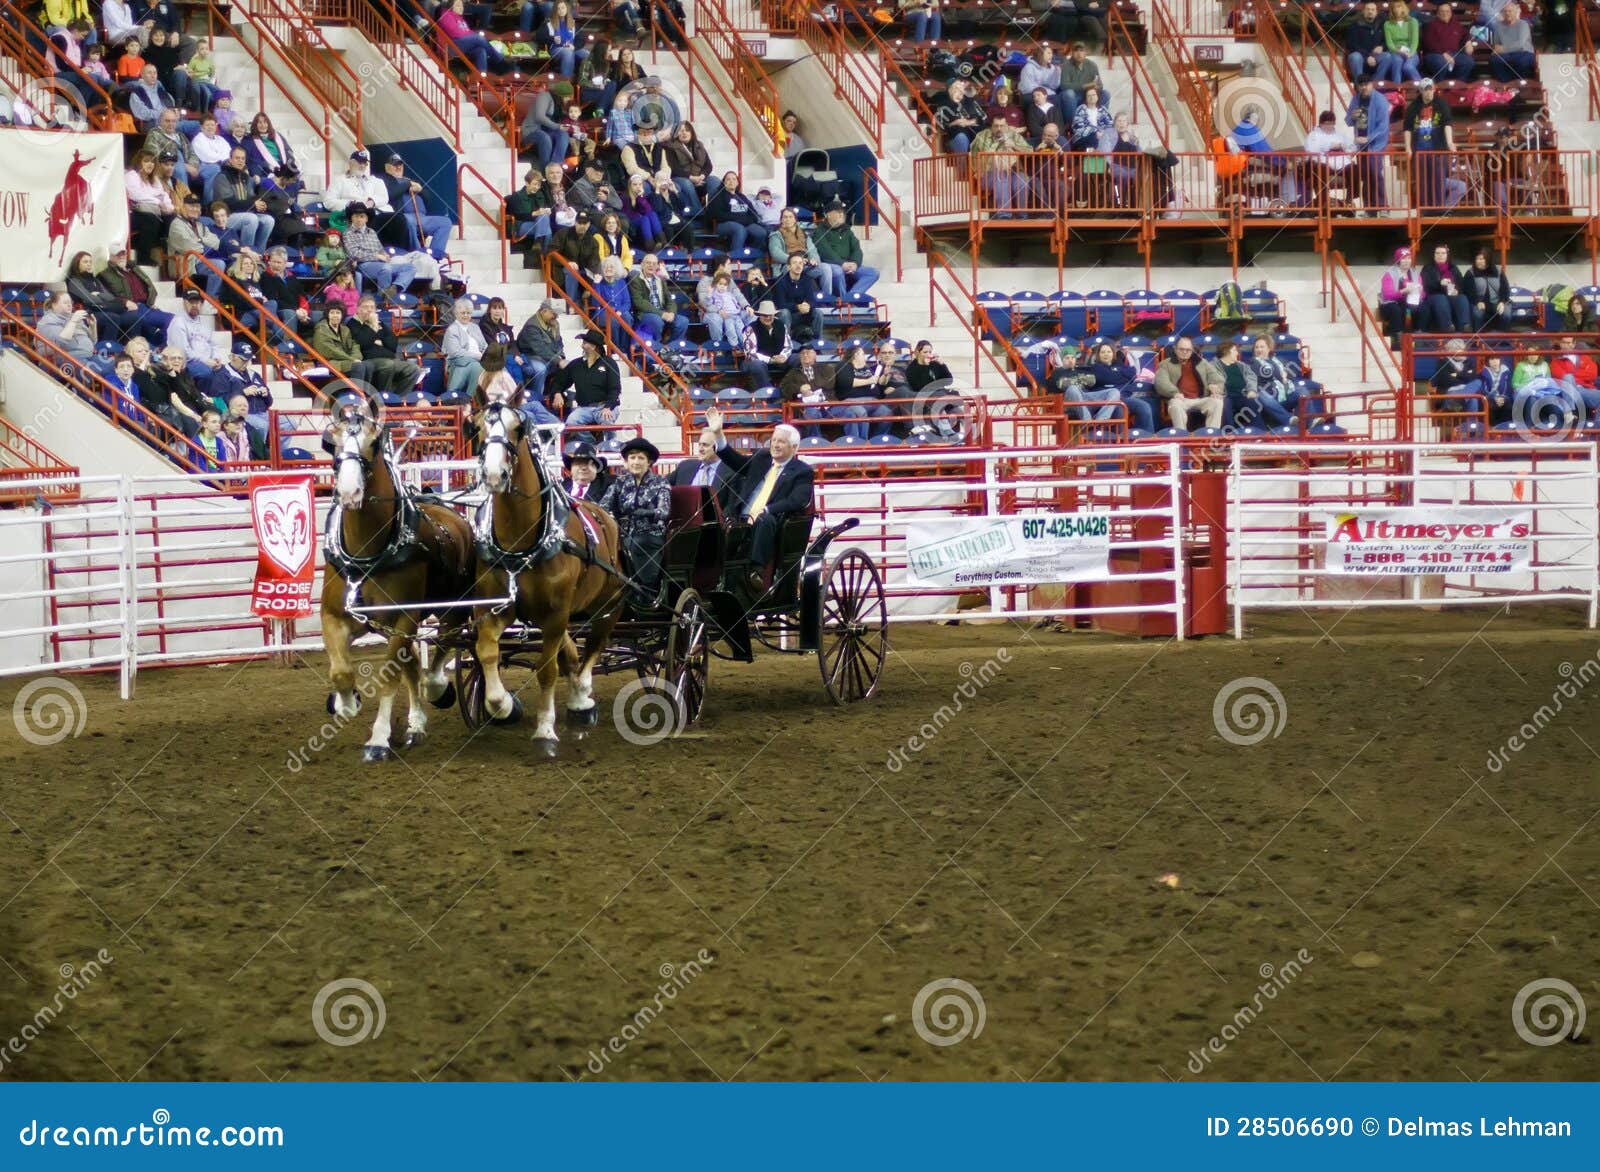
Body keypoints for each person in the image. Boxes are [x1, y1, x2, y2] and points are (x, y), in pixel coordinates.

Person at [702, 407, 814, 588]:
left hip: (772, 522)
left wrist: (768, 509)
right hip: (741, 519)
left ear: (794, 447)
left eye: (781, 442)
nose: (775, 445)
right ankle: (711, 576)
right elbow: (735, 461)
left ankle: (756, 570)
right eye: (774, 440)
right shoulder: (761, 458)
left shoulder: (802, 471)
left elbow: (798, 501)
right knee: (714, 522)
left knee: (765, 519)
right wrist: (718, 434)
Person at [597, 437, 670, 596]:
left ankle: (645, 592)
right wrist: (608, 517)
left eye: (641, 458)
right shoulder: (620, 482)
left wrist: (647, 513)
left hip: (650, 534)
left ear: (649, 462)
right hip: (622, 534)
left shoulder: (660, 482)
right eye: (632, 457)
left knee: (637, 543)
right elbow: (602, 506)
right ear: (626, 461)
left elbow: (663, 512)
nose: (636, 461)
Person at [65, 250, 165, 344]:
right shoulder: (74, 281)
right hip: (89, 312)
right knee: (113, 318)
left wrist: (99, 294)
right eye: (85, 262)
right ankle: (108, 348)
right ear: (77, 264)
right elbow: (90, 300)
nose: (89, 264)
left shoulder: (94, 279)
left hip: (106, 309)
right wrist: (99, 297)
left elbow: (110, 297)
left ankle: (133, 347)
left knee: (134, 317)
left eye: (90, 262)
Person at [348, 296, 425, 401]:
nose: (370, 310)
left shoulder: (382, 324)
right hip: (367, 360)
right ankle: (381, 399)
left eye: (372, 307)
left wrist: (378, 339)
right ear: (358, 309)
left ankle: (397, 398)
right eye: (366, 307)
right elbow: (363, 343)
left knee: (414, 369)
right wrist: (374, 327)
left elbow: (392, 344)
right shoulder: (352, 324)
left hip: (389, 359)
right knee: (388, 365)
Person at [1404, 80, 1466, 209]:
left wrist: (1450, 142)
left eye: (1431, 88)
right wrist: (1408, 148)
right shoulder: (1413, 107)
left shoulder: (1441, 103)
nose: (1429, 91)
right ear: (1420, 91)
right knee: (1422, 182)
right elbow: (1407, 129)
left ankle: (1438, 209)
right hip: (1420, 152)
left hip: (1438, 150)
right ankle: (1424, 209)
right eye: (1426, 89)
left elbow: (1447, 123)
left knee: (1438, 181)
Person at [553, 329, 622, 440]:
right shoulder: (575, 364)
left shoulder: (609, 363)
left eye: (585, 343)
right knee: (571, 422)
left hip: (605, 406)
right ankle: (591, 445)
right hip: (584, 408)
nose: (582, 346)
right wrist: (557, 393)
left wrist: (608, 406)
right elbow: (560, 381)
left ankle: (611, 446)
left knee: (606, 420)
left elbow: (615, 388)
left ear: (594, 346)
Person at [381, 153, 452, 261]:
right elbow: (390, 194)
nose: (398, 167)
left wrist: (421, 190)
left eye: (400, 164)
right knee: (407, 221)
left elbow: (428, 199)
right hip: (403, 217)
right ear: (387, 167)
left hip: (422, 217)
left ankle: (434, 258)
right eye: (395, 165)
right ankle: (419, 256)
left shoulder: (408, 179)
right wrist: (407, 185)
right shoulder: (384, 180)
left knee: (445, 222)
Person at [207, 146, 275, 255]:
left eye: (243, 158)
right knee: (251, 218)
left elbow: (251, 197)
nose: (240, 161)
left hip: (244, 213)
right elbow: (226, 202)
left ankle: (258, 255)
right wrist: (253, 204)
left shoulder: (245, 177)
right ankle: (246, 255)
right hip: (227, 216)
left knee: (269, 220)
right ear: (230, 159)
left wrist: (260, 202)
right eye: (237, 158)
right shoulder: (222, 176)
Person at [99, 246, 174, 341]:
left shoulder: (134, 268)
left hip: (146, 307)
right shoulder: (104, 275)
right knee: (153, 327)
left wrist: (150, 302)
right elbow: (107, 297)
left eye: (123, 254)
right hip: (131, 310)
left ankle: (158, 346)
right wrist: (124, 302)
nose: (122, 257)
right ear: (110, 257)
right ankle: (153, 346)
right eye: (118, 255)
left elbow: (149, 286)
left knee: (174, 320)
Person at [342, 204, 415, 300]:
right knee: (385, 268)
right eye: (356, 216)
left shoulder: (371, 232)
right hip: (362, 265)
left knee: (409, 267)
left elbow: (380, 248)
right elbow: (354, 254)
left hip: (380, 264)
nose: (359, 219)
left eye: (362, 216)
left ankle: (394, 288)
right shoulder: (348, 233)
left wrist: (384, 254)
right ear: (351, 218)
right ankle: (383, 299)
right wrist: (377, 256)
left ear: (366, 219)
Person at [1155, 337, 1224, 430]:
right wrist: (1174, 393)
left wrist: (1215, 387)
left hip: (1202, 398)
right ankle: (1181, 435)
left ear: (1192, 351)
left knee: (1217, 402)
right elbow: (1161, 382)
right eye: (1181, 349)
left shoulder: (1202, 362)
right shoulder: (1166, 364)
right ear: (1175, 349)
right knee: (1175, 405)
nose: (1185, 352)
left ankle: (1211, 434)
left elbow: (1217, 377)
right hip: (1181, 399)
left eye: (1188, 350)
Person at [831, 344, 896, 440]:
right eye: (862, 354)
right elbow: (848, 382)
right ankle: (861, 442)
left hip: (872, 401)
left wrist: (885, 375)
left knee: (887, 413)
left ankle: (876, 440)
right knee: (860, 412)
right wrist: (869, 381)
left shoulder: (866, 368)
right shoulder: (844, 365)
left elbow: (879, 382)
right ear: (856, 355)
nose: (864, 356)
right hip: (852, 401)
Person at [1346, 76, 1390, 213]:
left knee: (1375, 173)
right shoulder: (1356, 99)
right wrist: (1352, 117)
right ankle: (1369, 209)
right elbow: (1348, 120)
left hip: (1376, 145)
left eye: (1367, 84)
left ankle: (1383, 207)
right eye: (1361, 85)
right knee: (1365, 175)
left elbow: (1383, 126)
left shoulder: (1380, 100)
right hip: (1361, 146)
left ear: (1372, 84)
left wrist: (1368, 138)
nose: (1364, 87)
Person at [627, 253, 689, 346]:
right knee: (656, 321)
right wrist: (661, 314)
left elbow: (669, 300)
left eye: (654, 263)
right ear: (642, 265)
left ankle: (670, 347)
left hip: (663, 312)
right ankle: (656, 347)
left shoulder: (660, 280)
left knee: (683, 321)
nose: (651, 265)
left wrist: (671, 313)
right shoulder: (636, 280)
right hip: (645, 314)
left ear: (657, 266)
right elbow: (639, 302)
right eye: (648, 263)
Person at [672, 430, 738, 515]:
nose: (700, 449)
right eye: (699, 444)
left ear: (718, 447)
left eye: (705, 445)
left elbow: (731, 509)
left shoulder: (731, 472)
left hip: (714, 525)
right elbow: (662, 483)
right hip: (682, 523)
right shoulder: (684, 466)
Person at [516, 299, 567, 407]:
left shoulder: (554, 323)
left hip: (546, 356)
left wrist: (561, 356)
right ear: (544, 311)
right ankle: (536, 401)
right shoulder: (532, 325)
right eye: (553, 313)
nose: (556, 316)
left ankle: (557, 397)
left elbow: (559, 343)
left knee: (569, 366)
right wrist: (558, 361)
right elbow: (540, 349)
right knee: (540, 369)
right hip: (529, 355)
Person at [167, 289, 223, 382]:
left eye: (197, 302)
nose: (194, 305)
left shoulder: (202, 322)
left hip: (206, 362)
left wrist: (216, 357)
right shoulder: (178, 323)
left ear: (201, 304)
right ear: (184, 303)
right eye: (191, 302)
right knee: (207, 373)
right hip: (186, 363)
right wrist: (205, 361)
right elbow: (184, 352)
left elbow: (213, 344)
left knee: (225, 374)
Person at [707, 173, 769, 254]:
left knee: (761, 233)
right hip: (723, 224)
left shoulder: (742, 196)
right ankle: (734, 258)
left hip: (745, 223)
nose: (731, 181)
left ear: (737, 182)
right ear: (724, 182)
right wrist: (741, 219)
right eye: (728, 179)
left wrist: (746, 220)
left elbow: (753, 213)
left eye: (734, 179)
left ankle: (751, 256)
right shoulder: (719, 195)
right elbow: (719, 215)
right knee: (740, 229)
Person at [438, 0, 506, 73]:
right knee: (478, 38)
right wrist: (473, 37)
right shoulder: (446, 15)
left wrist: (472, 37)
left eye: (462, 6)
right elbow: (455, 33)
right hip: (450, 45)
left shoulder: (460, 18)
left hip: (461, 44)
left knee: (481, 50)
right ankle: (499, 59)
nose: (461, 8)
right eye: (458, 6)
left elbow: (468, 32)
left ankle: (481, 78)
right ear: (451, 7)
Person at [770, 252, 824, 342]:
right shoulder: (780, 281)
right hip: (788, 315)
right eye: (794, 263)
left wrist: (808, 305)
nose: (798, 266)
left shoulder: (807, 279)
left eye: (800, 263)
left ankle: (816, 343)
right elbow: (780, 304)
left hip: (803, 314)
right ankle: (784, 343)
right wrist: (797, 307)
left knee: (818, 312)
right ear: (788, 266)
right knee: (784, 312)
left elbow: (812, 301)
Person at [443, 298, 487, 403]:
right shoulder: (452, 329)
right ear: (456, 314)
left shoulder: (475, 327)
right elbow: (455, 352)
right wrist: (476, 356)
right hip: (458, 361)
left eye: (468, 313)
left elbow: (484, 345)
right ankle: (470, 398)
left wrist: (485, 354)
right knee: (478, 367)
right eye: (463, 313)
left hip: (479, 359)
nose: (466, 315)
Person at [1422, 244, 1471, 333]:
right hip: (1434, 296)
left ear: (1447, 255)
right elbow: (1426, 285)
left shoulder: (1453, 268)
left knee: (1462, 297)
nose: (1440, 255)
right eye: (1437, 253)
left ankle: (1465, 325)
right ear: (1434, 255)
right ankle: (1447, 326)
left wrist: (1457, 290)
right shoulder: (1428, 268)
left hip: (1451, 295)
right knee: (1441, 298)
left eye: (1443, 253)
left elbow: (1461, 283)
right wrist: (1439, 283)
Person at [1420, 2, 1475, 81]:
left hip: (1453, 53)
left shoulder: (1456, 24)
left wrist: (1468, 42)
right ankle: (1440, 85)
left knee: (1469, 62)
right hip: (1435, 54)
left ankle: (1457, 84)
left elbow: (1465, 34)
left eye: (1447, 11)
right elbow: (1429, 43)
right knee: (1442, 63)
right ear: (1437, 13)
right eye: (1442, 11)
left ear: (1451, 13)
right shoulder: (1431, 25)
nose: (1445, 13)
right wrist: (1444, 54)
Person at [35, 292, 97, 364]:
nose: (69, 305)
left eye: (71, 302)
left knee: (109, 364)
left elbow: (93, 342)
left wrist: (93, 326)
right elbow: (61, 343)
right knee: (104, 369)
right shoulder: (47, 321)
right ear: (54, 305)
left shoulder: (74, 316)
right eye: (65, 302)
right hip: (61, 361)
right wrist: (73, 321)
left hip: (88, 355)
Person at [741, 301, 792, 386]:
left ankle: (790, 389)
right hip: (757, 361)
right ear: (760, 315)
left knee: (797, 358)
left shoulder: (781, 325)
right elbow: (750, 353)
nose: (768, 318)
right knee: (757, 364)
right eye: (765, 315)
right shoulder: (750, 328)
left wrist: (783, 356)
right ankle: (769, 394)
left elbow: (789, 346)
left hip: (779, 360)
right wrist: (771, 360)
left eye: (770, 315)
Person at [700, 268, 753, 348]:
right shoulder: (714, 294)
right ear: (715, 284)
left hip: (736, 315)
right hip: (727, 316)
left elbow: (738, 299)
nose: (722, 287)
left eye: (725, 285)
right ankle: (734, 346)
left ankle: (745, 346)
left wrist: (745, 307)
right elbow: (708, 303)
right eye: (720, 284)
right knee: (731, 331)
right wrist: (710, 294)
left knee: (741, 330)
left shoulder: (729, 293)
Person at [1462, 248, 1511, 333]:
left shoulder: (1498, 271)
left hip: (1498, 302)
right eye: (1477, 259)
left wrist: (1502, 302)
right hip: (1478, 302)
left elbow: (1505, 289)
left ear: (1488, 259)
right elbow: (1468, 292)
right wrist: (1477, 302)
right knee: (1478, 314)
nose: (1479, 261)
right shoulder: (1470, 273)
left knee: (1506, 314)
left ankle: (1502, 339)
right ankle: (1477, 340)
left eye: (1482, 259)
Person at [1379, 245, 1424, 336]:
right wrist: (1403, 291)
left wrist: (1421, 292)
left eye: (1409, 258)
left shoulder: (1415, 274)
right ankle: (1397, 337)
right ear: (1398, 261)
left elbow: (1423, 294)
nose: (1407, 261)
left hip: (1409, 302)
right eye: (1403, 258)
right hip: (1390, 303)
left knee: (1421, 307)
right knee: (1395, 309)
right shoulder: (1389, 274)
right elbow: (1388, 295)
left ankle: (1418, 334)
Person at [1345, 0, 1392, 81]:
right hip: (1361, 57)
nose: (1370, 11)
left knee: (1387, 56)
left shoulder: (1382, 25)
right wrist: (1367, 57)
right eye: (1368, 9)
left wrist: (1382, 47)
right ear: (1363, 11)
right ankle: (1360, 84)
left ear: (1376, 12)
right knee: (1355, 56)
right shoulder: (1354, 26)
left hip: (1376, 56)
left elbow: (1387, 41)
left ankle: (1375, 84)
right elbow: (1352, 45)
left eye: (1373, 9)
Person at [1489, 3, 1536, 82]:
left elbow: (1520, 45)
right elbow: (1497, 45)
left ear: (1515, 12)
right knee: (1495, 60)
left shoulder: (1523, 24)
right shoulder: (1498, 26)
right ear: (1502, 13)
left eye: (1510, 11)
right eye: (1505, 11)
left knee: (1522, 61)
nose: (1507, 13)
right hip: (1507, 54)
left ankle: (1522, 84)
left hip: (1524, 53)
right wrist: (1496, 50)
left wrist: (1503, 49)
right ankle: (1506, 85)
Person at [935, 78, 985, 154]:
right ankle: (962, 166)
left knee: (985, 138)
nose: (960, 89)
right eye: (956, 87)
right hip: (957, 136)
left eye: (961, 87)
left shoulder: (970, 101)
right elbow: (941, 125)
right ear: (950, 90)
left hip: (976, 132)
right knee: (961, 139)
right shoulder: (943, 105)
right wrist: (956, 122)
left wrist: (969, 122)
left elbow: (983, 117)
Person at [1379, 0, 1423, 83]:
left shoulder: (1413, 21)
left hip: (1411, 51)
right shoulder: (1387, 24)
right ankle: (1397, 88)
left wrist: (1411, 53)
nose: (1396, 9)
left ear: (1404, 8)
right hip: (1395, 52)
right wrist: (1398, 51)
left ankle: (1423, 87)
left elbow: (1415, 41)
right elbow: (1389, 44)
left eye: (1398, 6)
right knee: (1397, 61)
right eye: (1394, 8)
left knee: (1408, 67)